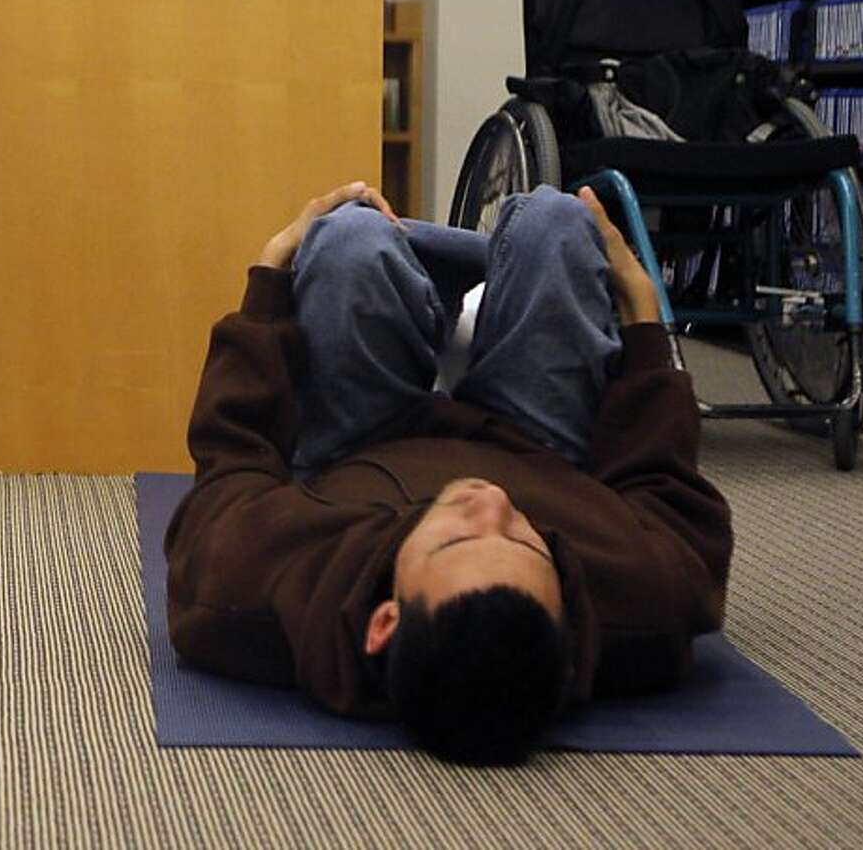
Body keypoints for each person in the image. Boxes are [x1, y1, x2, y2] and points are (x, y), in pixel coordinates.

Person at [165, 181, 734, 765]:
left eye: (459, 539)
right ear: (568, 621)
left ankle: (435, 268)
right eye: (526, 542)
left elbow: (232, 455)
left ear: (385, 622)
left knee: (349, 237)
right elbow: (664, 482)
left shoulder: (247, 591)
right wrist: (642, 314)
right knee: (558, 222)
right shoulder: (645, 605)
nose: (493, 504)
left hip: (359, 445)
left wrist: (268, 274)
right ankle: (470, 270)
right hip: (534, 444)